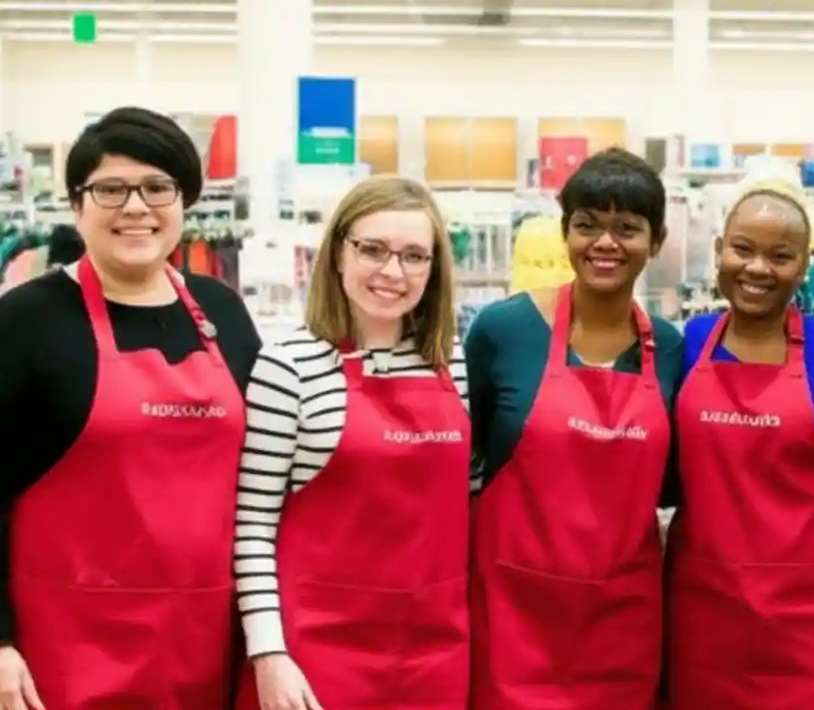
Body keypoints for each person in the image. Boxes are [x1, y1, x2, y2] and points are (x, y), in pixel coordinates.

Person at [0, 106, 261, 709]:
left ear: (185, 201)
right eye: (111, 189)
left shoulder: (222, 311)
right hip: (61, 651)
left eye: (157, 187)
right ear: (76, 205)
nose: (136, 207)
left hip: (201, 641)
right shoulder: (27, 319)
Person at [233, 175, 471, 710]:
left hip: (435, 651)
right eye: (373, 249)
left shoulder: (450, 360)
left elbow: (467, 498)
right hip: (315, 655)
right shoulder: (287, 365)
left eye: (415, 256)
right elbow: (252, 528)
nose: (393, 271)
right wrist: (269, 655)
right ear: (338, 253)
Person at [465, 147, 683, 710]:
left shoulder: (673, 350)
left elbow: (670, 485)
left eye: (627, 228)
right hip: (515, 617)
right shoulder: (503, 331)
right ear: (566, 233)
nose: (605, 244)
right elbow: (469, 466)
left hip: (622, 623)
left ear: (656, 241)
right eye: (587, 225)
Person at [665, 177, 814, 709]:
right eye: (743, 249)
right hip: (708, 608)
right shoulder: (685, 346)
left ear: (805, 264)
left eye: (780, 256)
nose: (758, 268)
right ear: (719, 251)